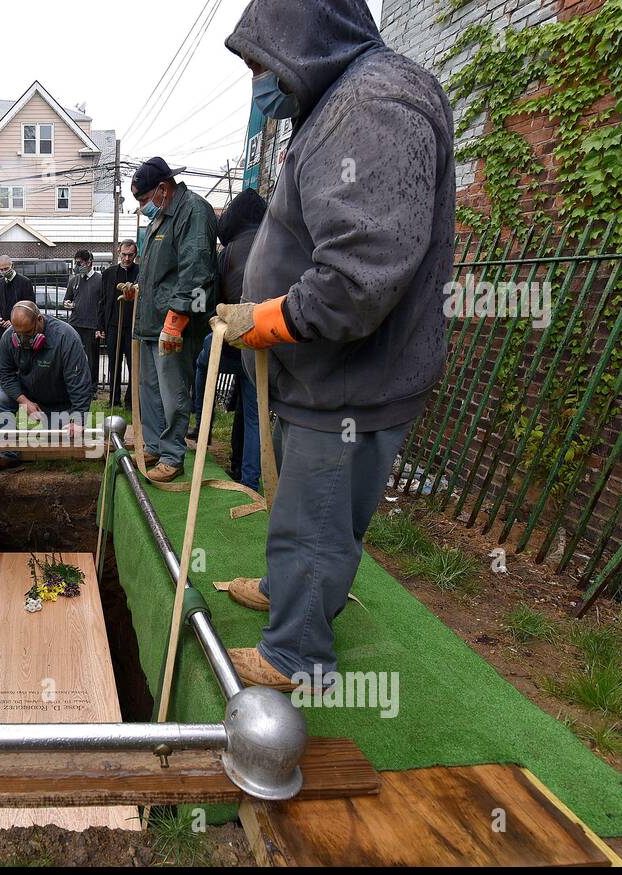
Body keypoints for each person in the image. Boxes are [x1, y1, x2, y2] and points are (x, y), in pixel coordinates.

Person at [217, 0, 454, 690]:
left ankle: (298, 655)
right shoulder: (342, 100)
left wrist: (268, 320)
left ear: (304, 35)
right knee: (301, 502)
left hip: (352, 378)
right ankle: (290, 590)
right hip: (324, 372)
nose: (260, 79)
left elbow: (359, 277)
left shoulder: (373, 104)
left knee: (317, 516)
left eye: (262, 62)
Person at [130, 156, 219, 482]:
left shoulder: (193, 211)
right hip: (154, 320)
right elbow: (160, 273)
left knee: (173, 392)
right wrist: (140, 292)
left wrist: (177, 318)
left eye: (143, 199)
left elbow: (196, 269)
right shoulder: (163, 217)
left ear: (163, 189)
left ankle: (172, 455)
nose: (141, 207)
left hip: (175, 323)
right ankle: (154, 444)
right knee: (151, 388)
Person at [193, 187, 266, 485]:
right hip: (264, 342)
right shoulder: (274, 245)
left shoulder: (228, 253)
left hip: (230, 341)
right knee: (254, 415)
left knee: (200, 365)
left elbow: (212, 300)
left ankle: (201, 429)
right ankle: (249, 481)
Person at [0, 300, 93, 471]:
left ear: (39, 320)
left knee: (58, 445)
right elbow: (3, 373)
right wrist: (23, 401)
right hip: (29, 394)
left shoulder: (66, 337)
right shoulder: (9, 337)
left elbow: (79, 381)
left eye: (27, 333)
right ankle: (9, 455)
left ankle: (58, 425)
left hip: (59, 400)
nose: (22, 340)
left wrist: (78, 418)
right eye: (18, 333)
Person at [100, 239, 139, 407]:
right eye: (124, 255)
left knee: (133, 365)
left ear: (135, 255)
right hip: (113, 326)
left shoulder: (140, 272)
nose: (127, 259)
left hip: (133, 327)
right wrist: (100, 326)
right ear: (119, 253)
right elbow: (103, 300)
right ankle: (113, 399)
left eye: (130, 255)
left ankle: (130, 401)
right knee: (113, 364)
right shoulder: (109, 273)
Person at [64, 249, 104, 392]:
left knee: (92, 359)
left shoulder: (100, 280)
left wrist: (100, 327)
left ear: (89, 262)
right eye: (76, 262)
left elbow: (103, 304)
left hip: (92, 325)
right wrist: (68, 304)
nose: (77, 266)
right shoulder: (74, 280)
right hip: (75, 324)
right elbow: (66, 300)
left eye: (79, 263)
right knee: (73, 356)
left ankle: (92, 388)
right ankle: (75, 385)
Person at [0, 254, 33, 335]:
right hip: (3, 330)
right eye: (1, 269)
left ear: (12, 266)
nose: (4, 271)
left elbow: (29, 306)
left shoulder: (25, 282)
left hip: (20, 329)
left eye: (6, 268)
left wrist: (13, 321)